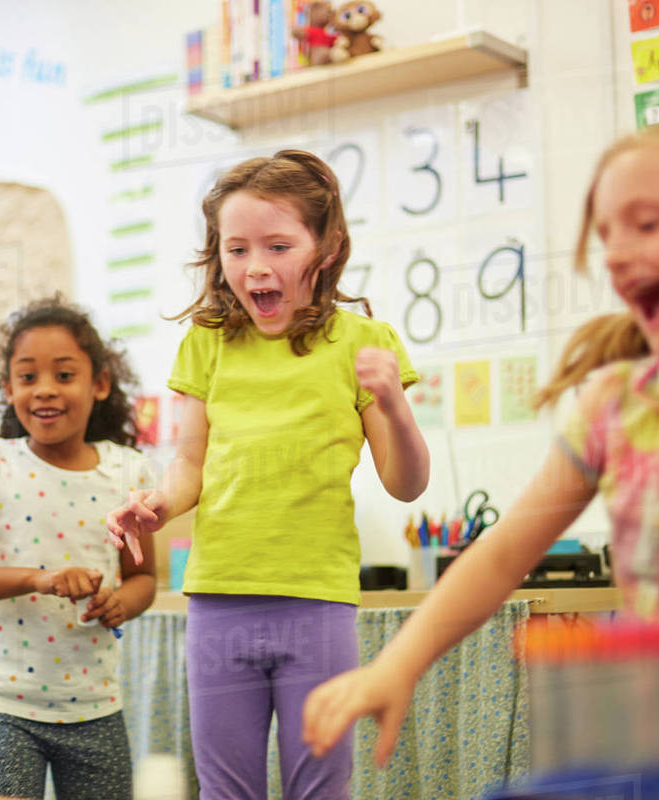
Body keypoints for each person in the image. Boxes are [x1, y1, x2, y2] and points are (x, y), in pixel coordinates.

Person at [301, 125, 659, 796]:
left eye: (647, 223)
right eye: (607, 236)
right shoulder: (616, 407)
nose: (618, 254)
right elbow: (499, 554)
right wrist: (396, 665)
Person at [106, 149, 431, 799]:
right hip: (219, 598)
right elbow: (190, 465)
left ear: (327, 246)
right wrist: (159, 505)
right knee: (228, 792)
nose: (255, 268)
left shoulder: (364, 343)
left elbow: (407, 483)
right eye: (236, 249)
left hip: (317, 604)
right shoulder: (207, 342)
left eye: (278, 246)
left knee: (319, 788)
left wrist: (394, 405)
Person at [0, 297, 156, 800]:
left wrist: (125, 601)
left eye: (64, 374)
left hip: (95, 704)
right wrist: (38, 578)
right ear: (8, 389)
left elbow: (143, 578)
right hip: (4, 704)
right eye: (28, 377)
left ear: (99, 384)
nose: (45, 390)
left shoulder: (128, 472)